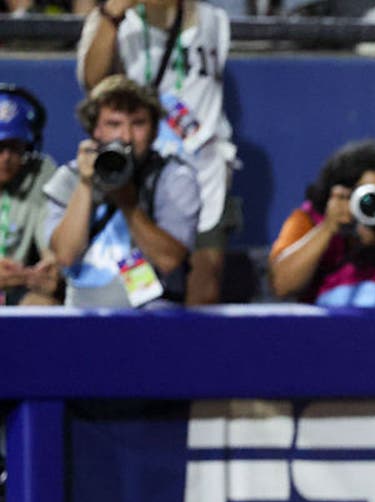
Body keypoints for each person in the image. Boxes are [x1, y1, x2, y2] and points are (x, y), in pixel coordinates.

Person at [78, 0, 236, 305]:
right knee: (127, 286)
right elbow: (93, 84)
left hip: (203, 169)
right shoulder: (108, 20)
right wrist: (112, 16)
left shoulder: (214, 19)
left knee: (204, 286)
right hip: (137, 167)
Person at [44, 74, 199, 308]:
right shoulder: (70, 178)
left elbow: (169, 261)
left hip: (151, 313)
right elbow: (65, 256)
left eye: (138, 123)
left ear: (155, 130)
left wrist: (128, 204)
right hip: (82, 313)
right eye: (114, 124)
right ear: (95, 130)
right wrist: (86, 185)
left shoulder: (174, 178)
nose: (126, 137)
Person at [268, 139, 375, 307]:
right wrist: (328, 228)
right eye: (364, 195)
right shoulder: (308, 220)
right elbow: (281, 286)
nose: (371, 204)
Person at [0, 85, 60, 306]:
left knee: (44, 305)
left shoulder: (39, 171)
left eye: (14, 147)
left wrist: (51, 268)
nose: (6, 158)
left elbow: (50, 249)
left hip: (17, 288)